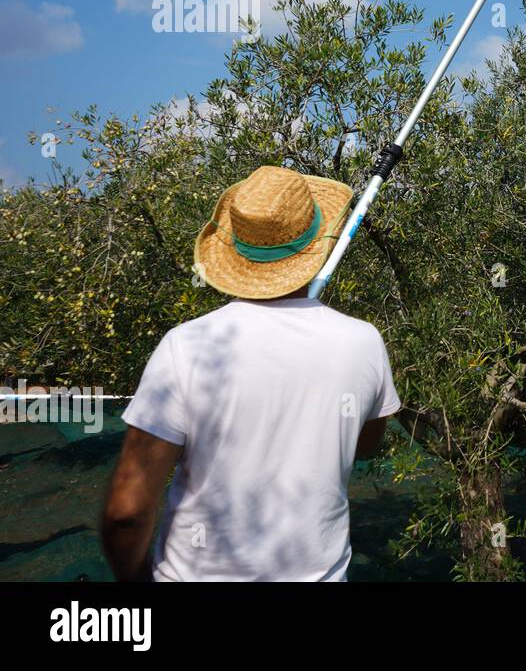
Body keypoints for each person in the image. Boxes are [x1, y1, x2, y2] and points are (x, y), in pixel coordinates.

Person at [100, 165, 400, 581]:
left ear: (236, 249)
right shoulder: (363, 341)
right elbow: (366, 444)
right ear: (317, 241)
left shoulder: (186, 347)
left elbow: (127, 513)